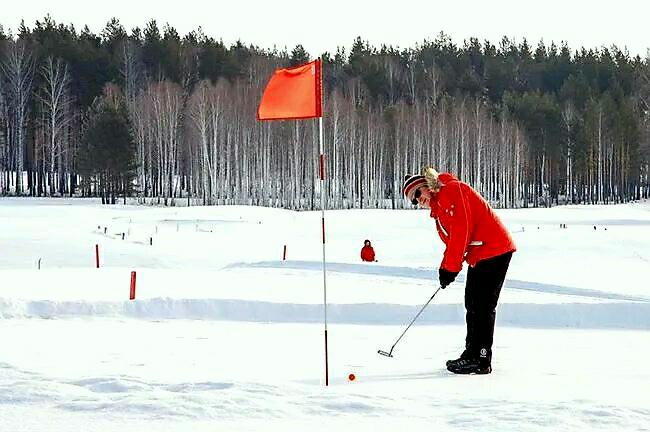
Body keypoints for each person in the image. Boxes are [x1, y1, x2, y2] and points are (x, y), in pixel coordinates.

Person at [402, 167, 516, 375]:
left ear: (427, 185)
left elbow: (462, 230)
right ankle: (471, 353)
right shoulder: (439, 209)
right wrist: (446, 268)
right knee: (472, 303)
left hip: (494, 249)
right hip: (481, 254)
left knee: (482, 305)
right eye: (413, 200)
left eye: (418, 193)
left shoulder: (451, 191)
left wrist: (450, 268)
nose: (418, 200)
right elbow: (453, 241)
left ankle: (481, 358)